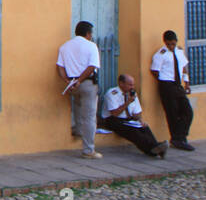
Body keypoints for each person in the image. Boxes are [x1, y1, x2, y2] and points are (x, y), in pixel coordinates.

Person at [57, 21, 101, 158]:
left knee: (77, 107)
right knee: (89, 116)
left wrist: (67, 81)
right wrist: (80, 80)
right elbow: (92, 66)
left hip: (71, 83)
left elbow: (60, 66)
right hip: (86, 83)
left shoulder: (65, 47)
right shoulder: (91, 46)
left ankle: (78, 130)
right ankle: (89, 150)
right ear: (88, 33)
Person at [100, 73, 167, 157]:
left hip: (128, 119)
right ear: (121, 83)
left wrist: (140, 120)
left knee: (144, 127)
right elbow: (114, 113)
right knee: (134, 131)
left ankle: (156, 148)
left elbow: (137, 112)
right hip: (113, 119)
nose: (132, 87)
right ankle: (153, 149)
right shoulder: (112, 93)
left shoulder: (132, 94)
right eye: (130, 85)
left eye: (133, 85)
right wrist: (128, 102)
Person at [150, 30, 195, 151]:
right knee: (172, 113)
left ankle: (180, 137)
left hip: (177, 85)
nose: (171, 46)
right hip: (167, 85)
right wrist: (163, 81)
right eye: (169, 44)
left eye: (173, 44)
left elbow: (183, 68)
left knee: (187, 111)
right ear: (165, 42)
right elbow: (154, 70)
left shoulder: (179, 52)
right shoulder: (160, 54)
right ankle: (177, 139)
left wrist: (187, 83)